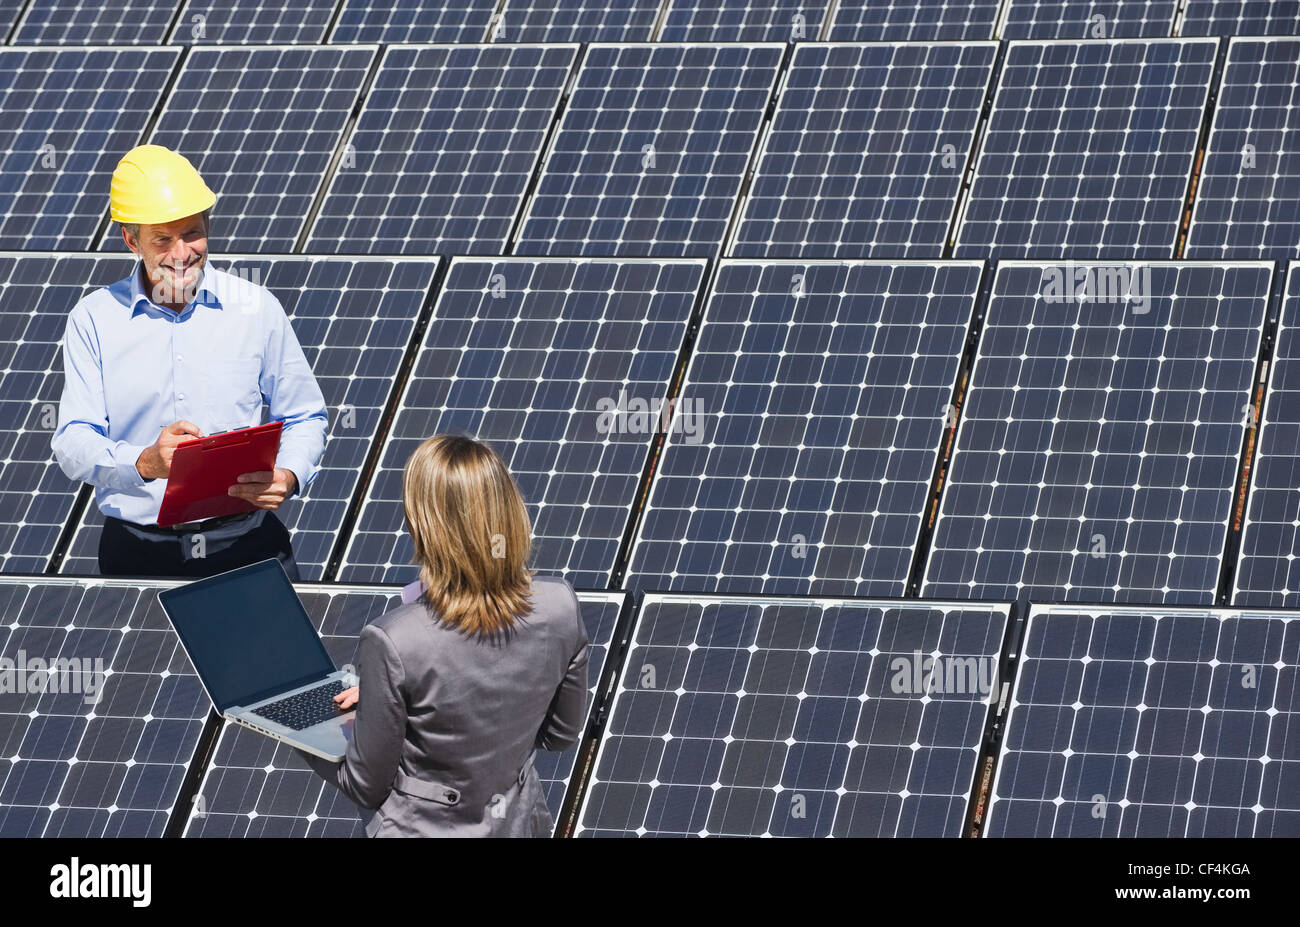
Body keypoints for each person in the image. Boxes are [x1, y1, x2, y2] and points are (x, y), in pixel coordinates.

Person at [50, 145, 327, 579]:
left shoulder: (255, 308)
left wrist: (289, 474)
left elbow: (306, 414)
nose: (182, 253)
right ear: (130, 239)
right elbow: (72, 441)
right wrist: (144, 463)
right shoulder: (94, 320)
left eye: (192, 234)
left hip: (247, 546)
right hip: (138, 555)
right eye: (163, 239)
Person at [297, 434, 590, 837]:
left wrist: (300, 731)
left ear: (422, 524)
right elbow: (559, 734)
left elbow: (365, 786)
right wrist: (402, 699)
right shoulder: (560, 605)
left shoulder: (394, 639)